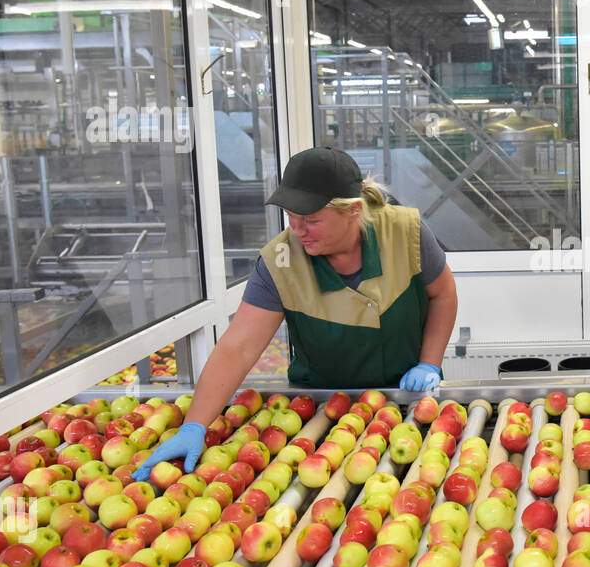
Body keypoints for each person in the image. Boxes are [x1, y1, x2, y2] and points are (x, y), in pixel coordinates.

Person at [134, 146, 457, 478]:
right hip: (323, 414)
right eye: (291, 216)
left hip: (408, 400)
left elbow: (443, 295)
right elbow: (238, 347)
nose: (298, 230)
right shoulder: (281, 261)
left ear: (353, 211)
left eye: (312, 220)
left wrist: (429, 361)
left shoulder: (405, 231)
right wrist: (194, 426)